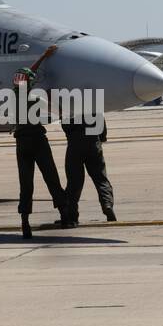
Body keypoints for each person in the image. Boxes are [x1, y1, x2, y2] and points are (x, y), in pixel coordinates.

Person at [12, 46, 67, 239]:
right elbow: (53, 110)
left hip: (21, 143)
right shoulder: (36, 99)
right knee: (51, 177)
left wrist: (42, 57)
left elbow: (27, 74)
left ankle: (25, 223)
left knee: (26, 185)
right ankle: (65, 214)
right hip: (37, 140)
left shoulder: (13, 96)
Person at [61, 112, 116, 227]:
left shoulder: (69, 101)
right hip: (93, 142)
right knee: (101, 179)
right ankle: (107, 205)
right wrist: (101, 138)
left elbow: (65, 126)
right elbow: (101, 121)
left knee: (74, 182)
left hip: (75, 144)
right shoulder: (92, 100)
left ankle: (72, 216)